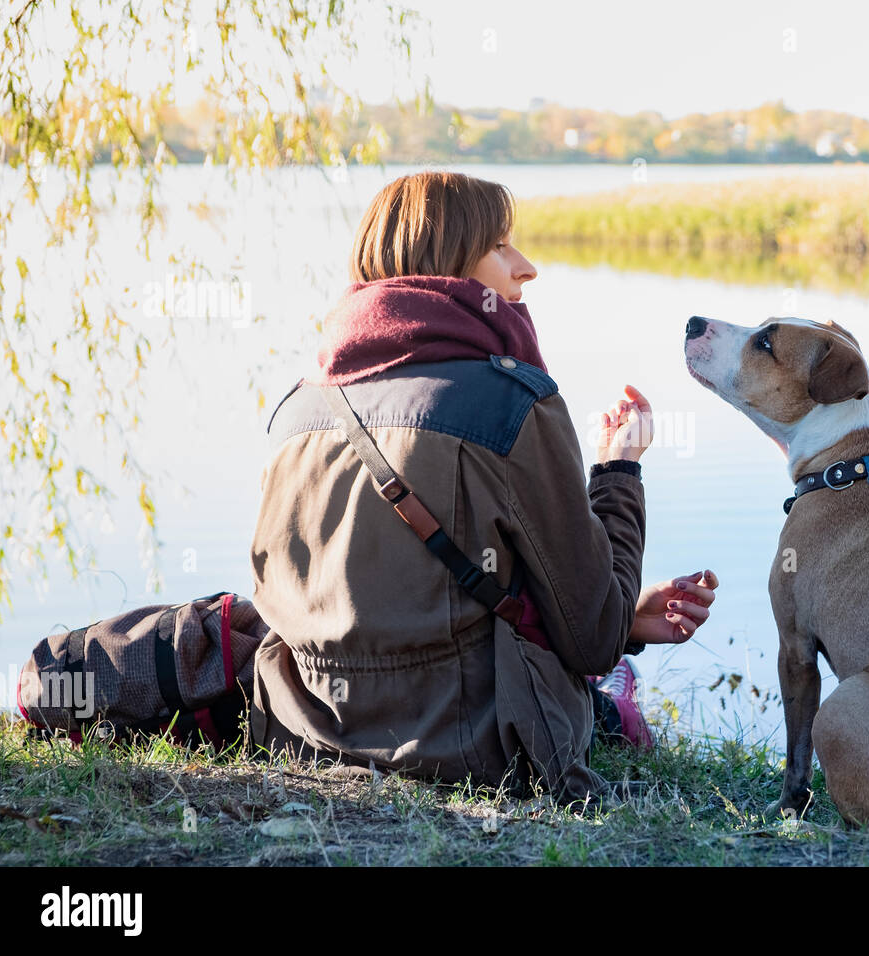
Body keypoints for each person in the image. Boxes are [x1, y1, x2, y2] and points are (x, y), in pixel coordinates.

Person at [247, 170, 718, 797]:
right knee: (600, 679)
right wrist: (617, 471)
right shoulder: (511, 403)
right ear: (444, 265)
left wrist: (627, 618)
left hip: (302, 731)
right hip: (476, 749)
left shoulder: (297, 411)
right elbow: (595, 638)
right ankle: (615, 712)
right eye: (500, 246)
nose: (526, 268)